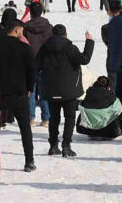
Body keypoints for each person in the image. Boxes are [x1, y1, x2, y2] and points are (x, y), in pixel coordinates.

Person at [0, 18, 36, 172]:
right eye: (21, 30)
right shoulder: (25, 48)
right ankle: (29, 161)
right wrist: (29, 88)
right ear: (16, 29)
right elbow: (31, 71)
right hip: (19, 93)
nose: (22, 32)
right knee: (25, 128)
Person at [36, 24, 94, 157]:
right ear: (65, 34)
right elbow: (85, 59)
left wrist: (41, 81)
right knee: (69, 118)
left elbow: (36, 66)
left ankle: (53, 146)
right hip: (69, 90)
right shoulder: (70, 48)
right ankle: (66, 146)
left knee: (54, 118)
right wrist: (89, 42)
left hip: (51, 89)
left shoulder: (45, 48)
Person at [23, 1, 52, 126]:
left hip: (30, 62)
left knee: (31, 91)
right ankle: (46, 118)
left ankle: (31, 118)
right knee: (44, 91)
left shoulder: (25, 27)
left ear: (30, 12)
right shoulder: (49, 27)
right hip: (45, 63)